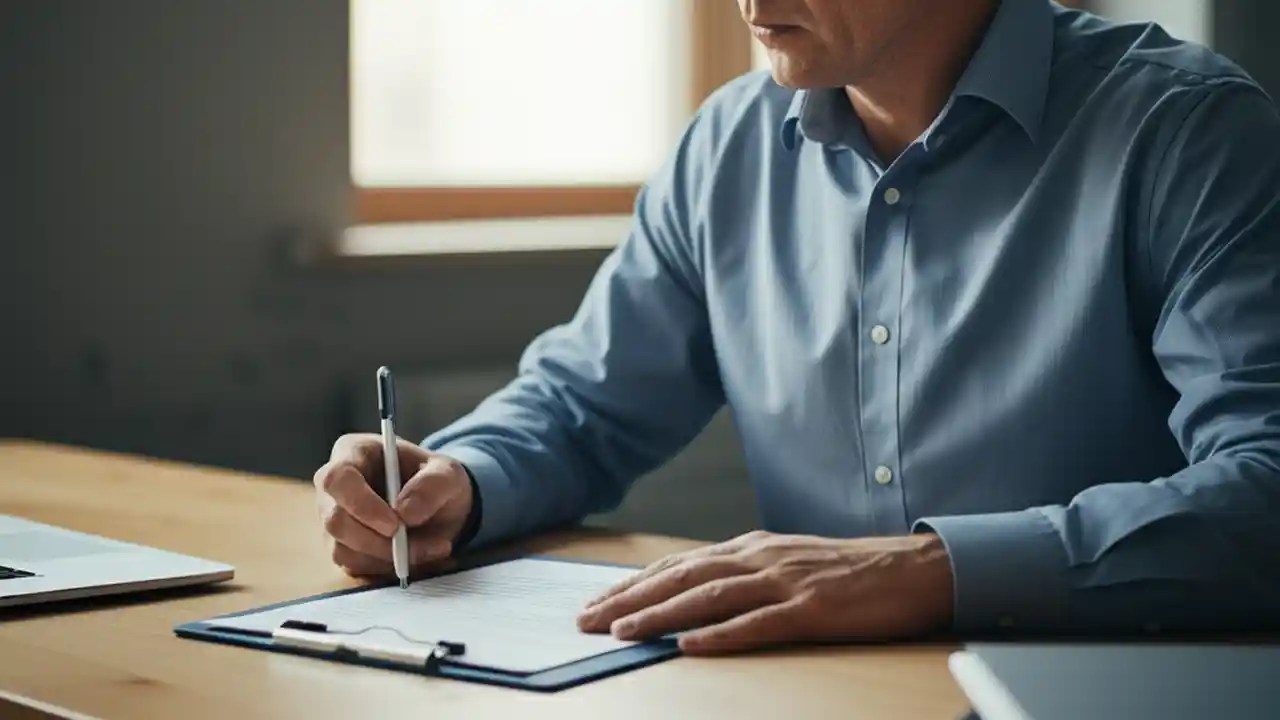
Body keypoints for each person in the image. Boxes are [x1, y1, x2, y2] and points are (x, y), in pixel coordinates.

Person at [312, 0, 1280, 655]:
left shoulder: (1187, 133)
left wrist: (923, 573)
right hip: (818, 692)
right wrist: (458, 484)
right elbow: (583, 405)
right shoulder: (727, 145)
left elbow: (1266, 486)